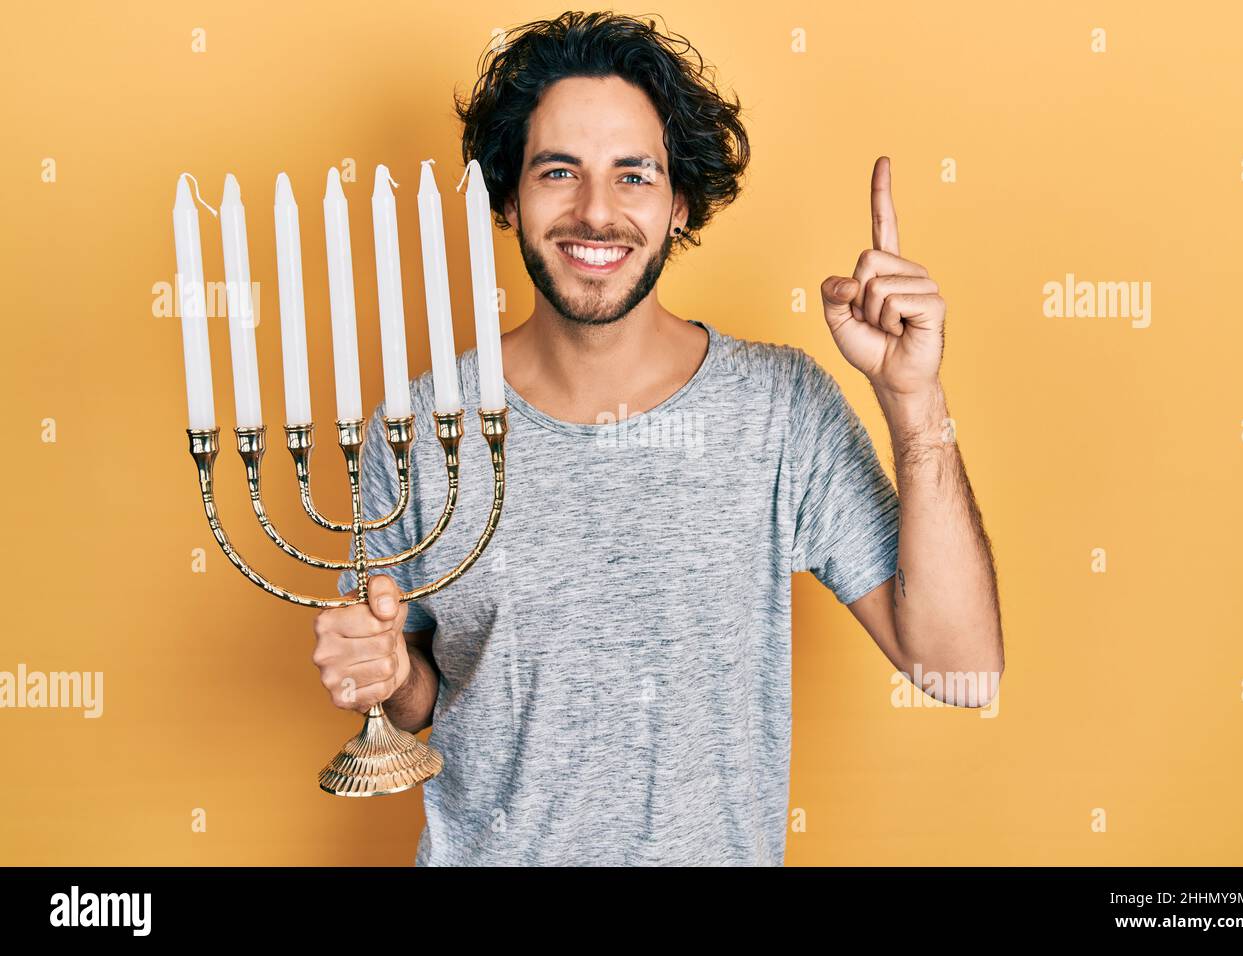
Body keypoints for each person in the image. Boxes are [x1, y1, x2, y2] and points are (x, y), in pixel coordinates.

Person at [311, 11, 1002, 866]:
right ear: (508, 197)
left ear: (679, 203)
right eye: (557, 171)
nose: (595, 212)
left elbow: (959, 668)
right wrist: (386, 677)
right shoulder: (414, 431)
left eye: (633, 176)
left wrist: (915, 403)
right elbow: (423, 696)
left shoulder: (777, 408)